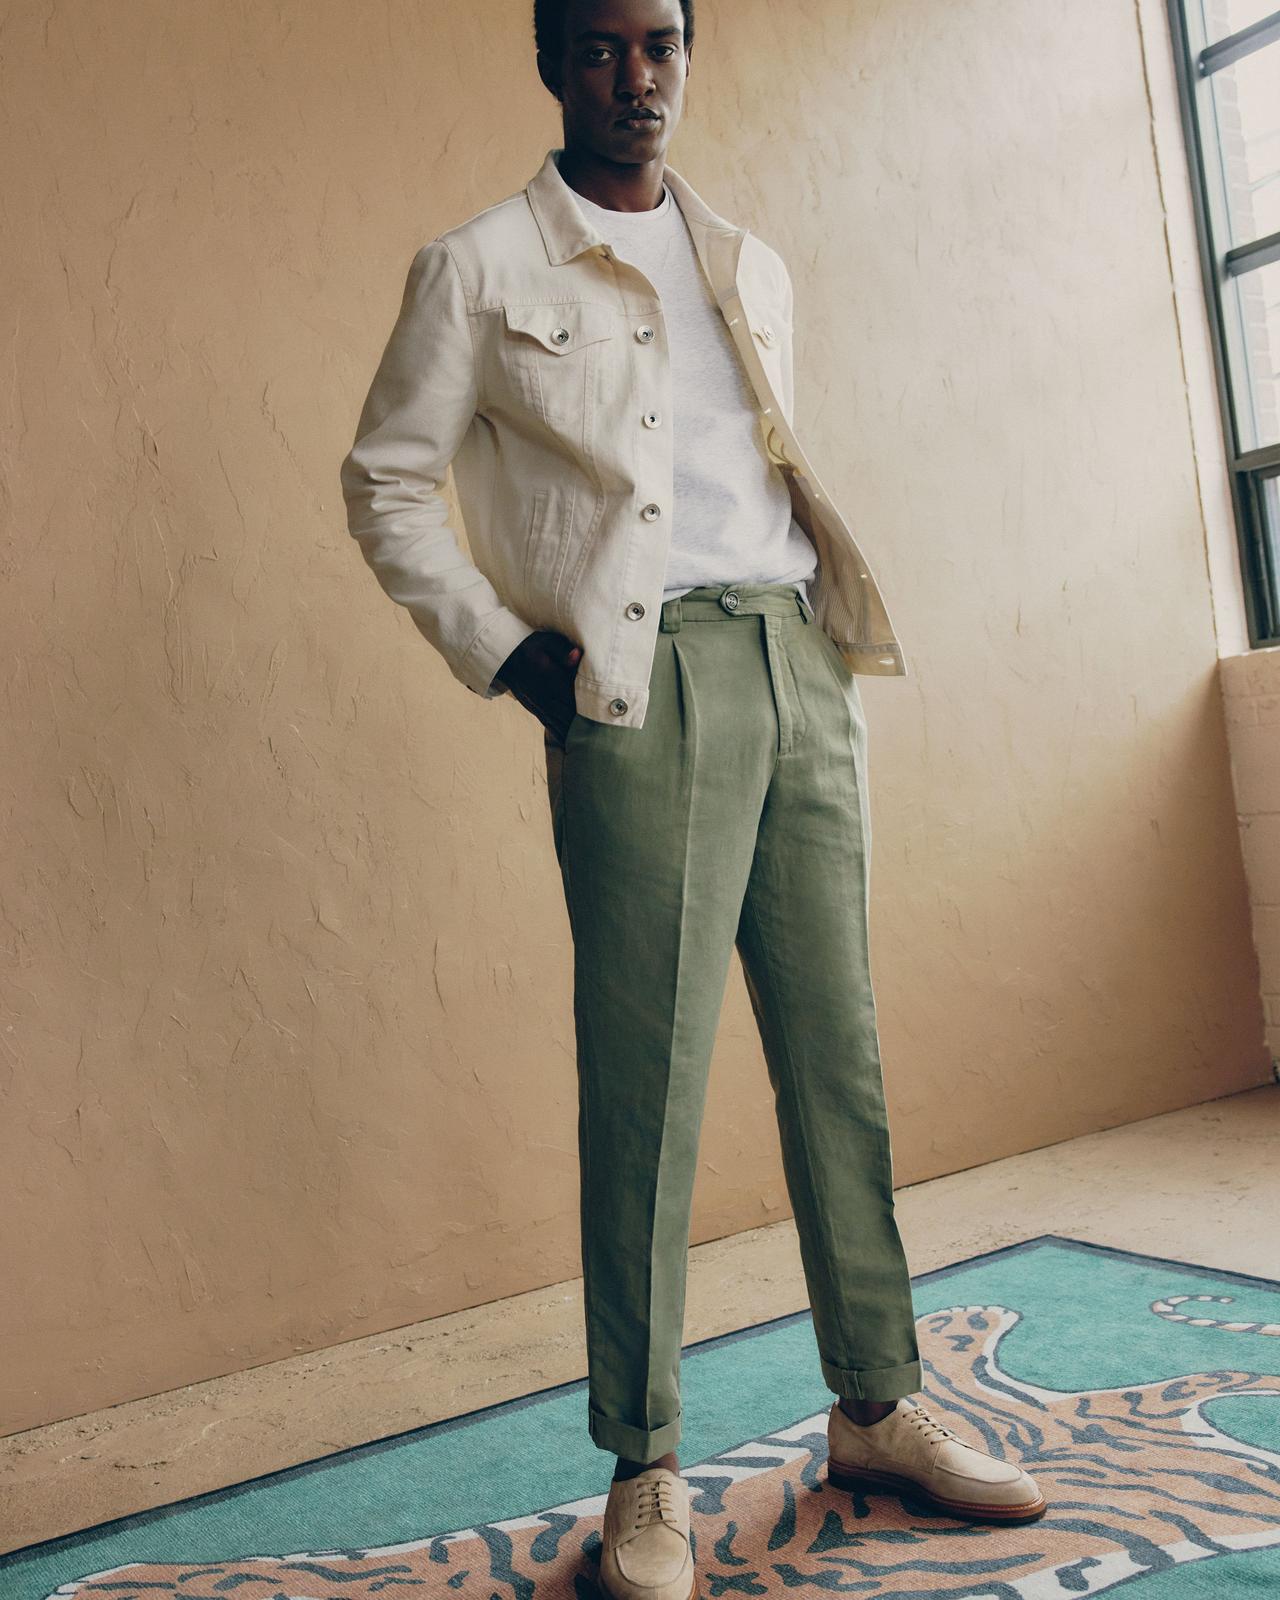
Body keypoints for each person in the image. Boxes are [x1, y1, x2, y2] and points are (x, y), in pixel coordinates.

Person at [340, 2, 1048, 1595]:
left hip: (799, 656)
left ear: (686, 53)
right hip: (639, 686)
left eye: (659, 42)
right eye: (599, 47)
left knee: (838, 1059)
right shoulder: (479, 270)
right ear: (550, 63)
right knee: (647, 1084)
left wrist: (812, 650)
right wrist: (507, 652)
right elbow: (384, 478)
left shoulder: (749, 260)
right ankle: (644, 1465)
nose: (636, 75)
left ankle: (878, 1405)